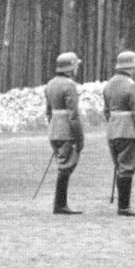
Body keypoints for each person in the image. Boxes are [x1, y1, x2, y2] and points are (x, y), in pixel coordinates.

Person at [102, 50, 135, 217]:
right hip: (129, 131)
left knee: (120, 167)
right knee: (127, 168)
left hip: (113, 130)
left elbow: (106, 111)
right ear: (132, 66)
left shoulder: (108, 85)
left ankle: (123, 206)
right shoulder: (131, 86)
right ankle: (124, 207)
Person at [44, 51, 85, 214]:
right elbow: (73, 115)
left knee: (63, 165)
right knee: (66, 167)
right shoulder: (69, 85)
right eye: (75, 66)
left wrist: (54, 126)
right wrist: (80, 137)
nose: (77, 69)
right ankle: (60, 204)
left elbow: (48, 112)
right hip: (67, 131)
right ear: (70, 68)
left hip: (54, 130)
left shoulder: (50, 84)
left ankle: (60, 204)